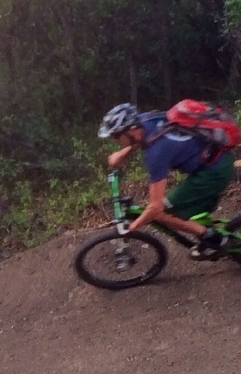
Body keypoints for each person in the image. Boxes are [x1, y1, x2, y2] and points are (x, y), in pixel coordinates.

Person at [98, 102, 233, 258]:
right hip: (216, 159)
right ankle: (201, 218)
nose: (114, 140)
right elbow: (148, 137)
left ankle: (214, 239)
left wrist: (132, 228)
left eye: (116, 135)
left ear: (131, 129)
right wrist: (124, 151)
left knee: (162, 213)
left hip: (213, 173)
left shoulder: (156, 154)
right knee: (174, 206)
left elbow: (155, 208)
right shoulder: (145, 119)